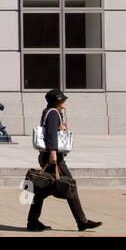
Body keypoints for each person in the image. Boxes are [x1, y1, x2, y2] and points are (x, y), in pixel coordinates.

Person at [27, 89, 103, 232]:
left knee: (43, 188)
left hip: (47, 155)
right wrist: (53, 152)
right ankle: (82, 221)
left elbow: (52, 131)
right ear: (57, 101)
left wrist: (61, 128)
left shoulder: (49, 112)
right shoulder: (54, 113)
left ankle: (32, 221)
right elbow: (50, 134)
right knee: (70, 186)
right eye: (63, 100)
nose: (65, 102)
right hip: (53, 157)